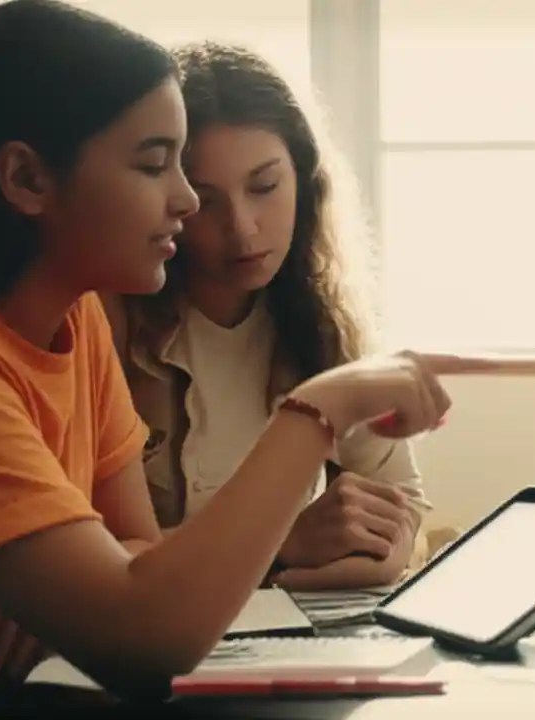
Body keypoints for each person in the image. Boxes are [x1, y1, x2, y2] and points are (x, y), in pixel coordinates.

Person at [0, 0, 486, 694]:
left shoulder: (79, 327)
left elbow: (137, 559)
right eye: (155, 164)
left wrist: (81, 596)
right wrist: (317, 409)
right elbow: (149, 628)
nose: (189, 202)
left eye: (263, 186)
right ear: (28, 180)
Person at [107, 41, 426, 591]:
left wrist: (379, 542)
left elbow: (407, 518)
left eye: (265, 187)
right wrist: (281, 545)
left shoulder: (326, 325)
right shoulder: (110, 325)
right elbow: (97, 564)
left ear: (305, 179)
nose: (244, 228)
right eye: (207, 201)